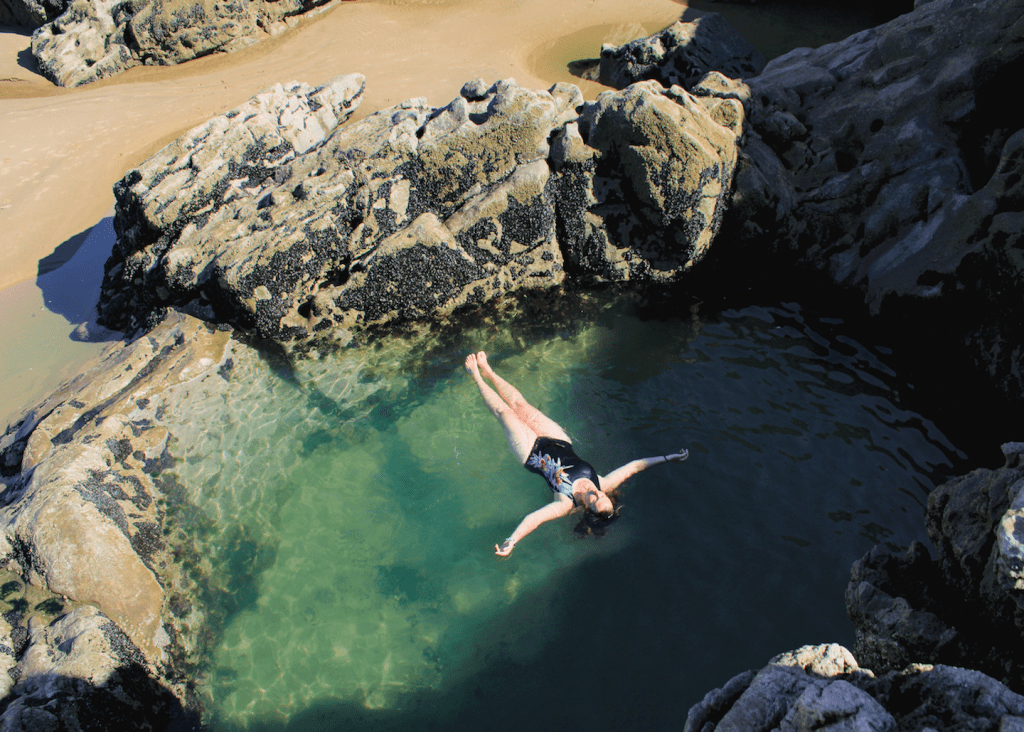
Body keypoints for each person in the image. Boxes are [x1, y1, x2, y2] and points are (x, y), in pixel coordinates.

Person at [464, 351, 689, 556]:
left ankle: (476, 375)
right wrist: (669, 458)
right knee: (518, 403)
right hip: (559, 441)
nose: (597, 494)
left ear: (587, 509)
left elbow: (534, 519)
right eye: (603, 497)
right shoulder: (603, 484)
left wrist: (511, 541)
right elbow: (635, 466)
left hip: (531, 453)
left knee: (504, 412)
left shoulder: (564, 504)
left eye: (594, 500)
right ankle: (489, 371)